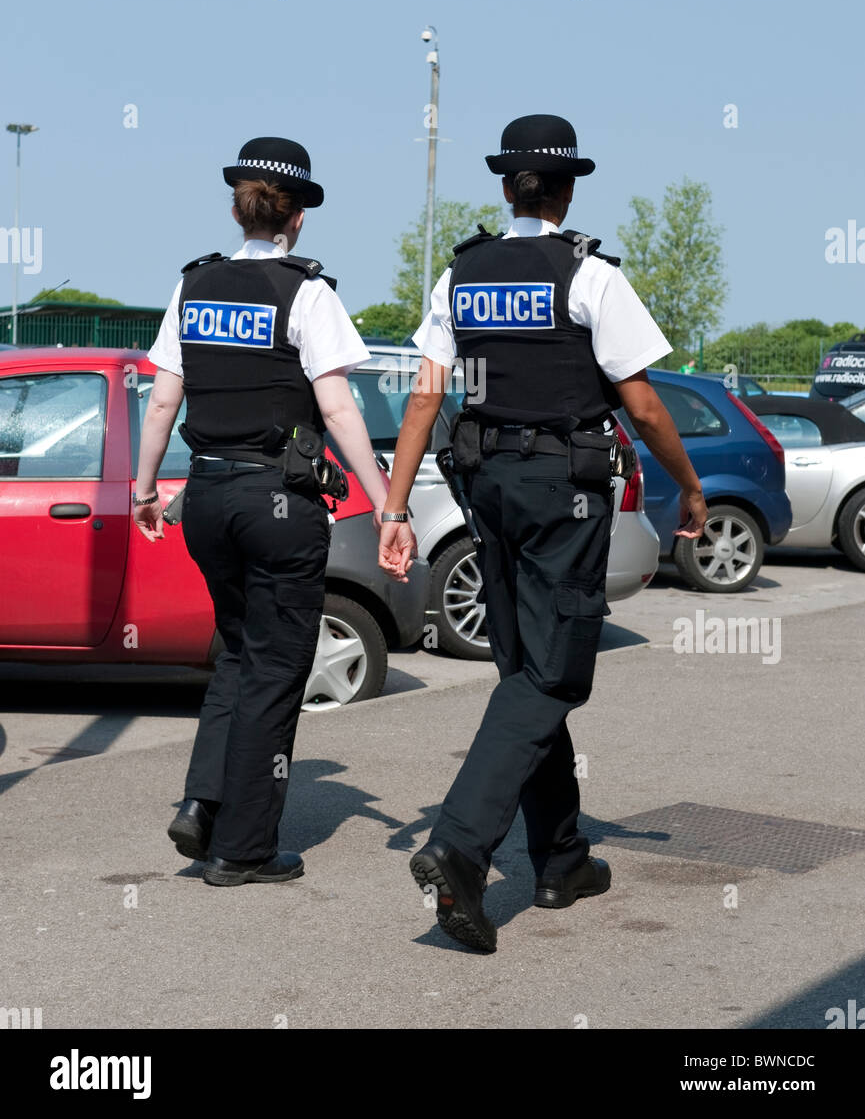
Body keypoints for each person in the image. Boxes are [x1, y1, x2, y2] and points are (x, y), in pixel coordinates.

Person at [378, 113, 708, 952]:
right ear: (566, 189)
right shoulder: (589, 275)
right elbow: (642, 404)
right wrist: (691, 488)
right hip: (563, 491)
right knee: (553, 676)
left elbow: (424, 396)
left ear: (504, 187)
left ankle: (559, 861)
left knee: (527, 670)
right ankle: (458, 846)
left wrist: (391, 505)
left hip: (483, 485)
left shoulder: (461, 273)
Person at [134, 135, 393, 886]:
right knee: (279, 666)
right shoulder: (306, 291)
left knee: (239, 654)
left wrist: (147, 488)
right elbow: (340, 411)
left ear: (238, 206)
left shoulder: (196, 283)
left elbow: (163, 400)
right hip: (278, 500)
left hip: (206, 496)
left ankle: (203, 803)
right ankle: (241, 851)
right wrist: (386, 504)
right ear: (298, 217)